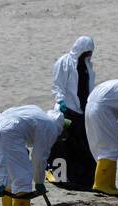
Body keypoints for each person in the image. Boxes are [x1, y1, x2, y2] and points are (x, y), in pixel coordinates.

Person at [0, 105, 67, 206]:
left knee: (9, 172)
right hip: (10, 131)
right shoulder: (50, 127)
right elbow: (39, 158)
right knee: (22, 176)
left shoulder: (37, 112)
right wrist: (39, 181)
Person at [48, 36, 97, 189]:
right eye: (87, 52)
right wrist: (61, 101)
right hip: (67, 110)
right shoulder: (64, 62)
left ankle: (83, 179)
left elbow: (89, 85)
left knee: (83, 145)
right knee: (63, 145)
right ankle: (59, 176)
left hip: (82, 110)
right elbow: (58, 85)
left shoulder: (87, 65)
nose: (89, 55)